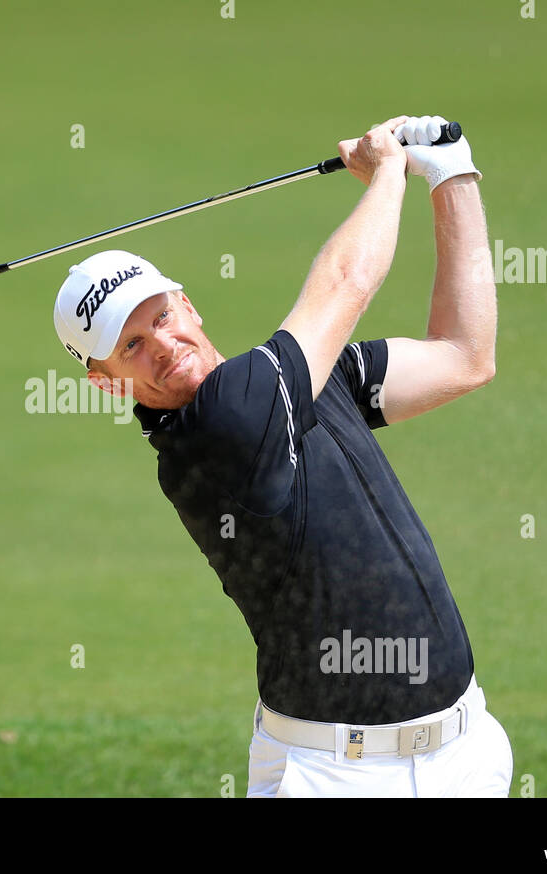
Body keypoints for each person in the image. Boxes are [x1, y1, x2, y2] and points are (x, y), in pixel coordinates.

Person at [52, 115, 511, 797]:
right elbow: (347, 281)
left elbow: (464, 357)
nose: (162, 343)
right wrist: (389, 171)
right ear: (107, 381)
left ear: (188, 302)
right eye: (131, 346)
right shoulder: (219, 427)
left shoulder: (293, 386)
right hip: (336, 776)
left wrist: (450, 172)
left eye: (160, 315)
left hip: (463, 752)